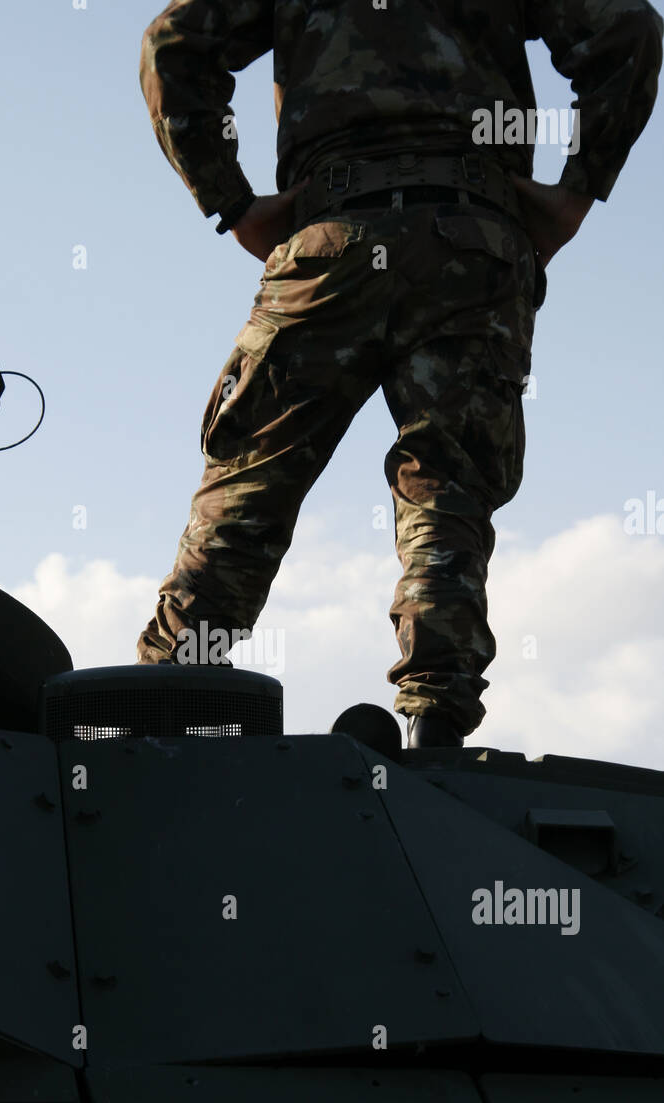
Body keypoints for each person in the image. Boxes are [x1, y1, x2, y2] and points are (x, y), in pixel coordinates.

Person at [135, 0, 663, 748]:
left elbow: (174, 42)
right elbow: (627, 28)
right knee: (446, 488)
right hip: (472, 241)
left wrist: (234, 203)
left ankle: (161, 706)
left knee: (251, 481)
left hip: (332, 236)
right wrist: (579, 188)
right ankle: (435, 724)